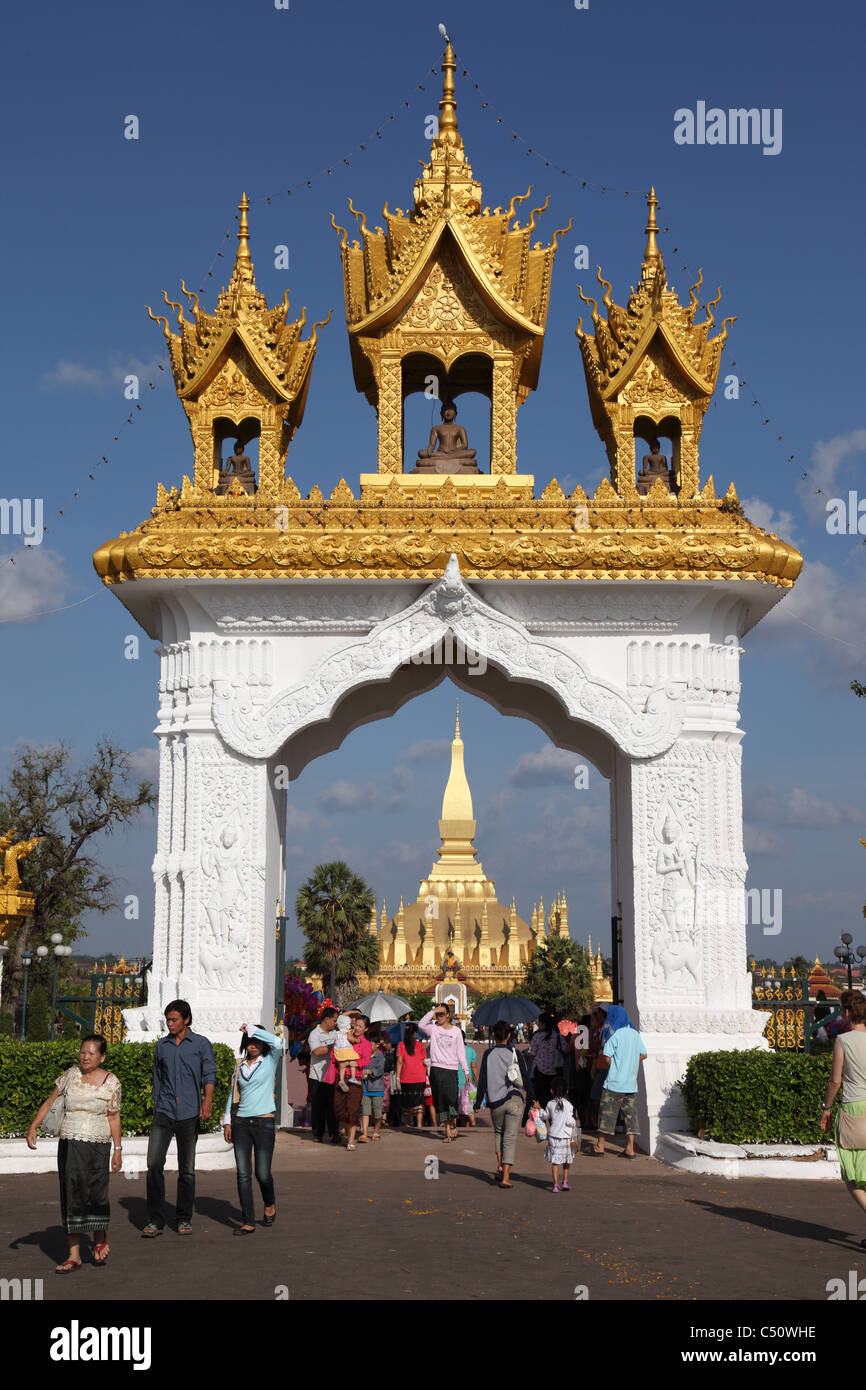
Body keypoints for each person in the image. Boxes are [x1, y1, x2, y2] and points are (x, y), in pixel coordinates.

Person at [27, 1034, 122, 1271]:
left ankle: (99, 1236)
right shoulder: (70, 1076)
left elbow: (114, 1116)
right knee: (72, 1195)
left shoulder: (112, 1082)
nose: (85, 1056)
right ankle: (74, 1255)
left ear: (102, 1057)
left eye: (91, 1053)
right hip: (70, 1144)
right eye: (82, 1052)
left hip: (99, 1146)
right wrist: (33, 1127)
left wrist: (118, 1150)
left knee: (96, 1193)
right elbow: (50, 1103)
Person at [142, 1000, 217, 1236]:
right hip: (164, 1111)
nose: (170, 1023)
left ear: (186, 1020)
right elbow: (157, 1075)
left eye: (174, 1019)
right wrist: (156, 1100)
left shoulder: (201, 1044)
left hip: (189, 1112)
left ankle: (183, 1218)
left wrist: (207, 1102)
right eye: (168, 1019)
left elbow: (209, 1074)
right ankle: (155, 1219)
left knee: (187, 1169)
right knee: (154, 1164)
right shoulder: (161, 1046)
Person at [221, 1022, 282, 1234]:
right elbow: (233, 1094)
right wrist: (227, 1121)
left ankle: (269, 1203)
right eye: (249, 1041)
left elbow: (278, 1042)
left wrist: (253, 1030)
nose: (252, 1045)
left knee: (262, 1173)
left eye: (256, 1041)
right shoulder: (240, 1065)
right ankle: (248, 1220)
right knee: (243, 1174)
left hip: (264, 1122)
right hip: (241, 1123)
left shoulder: (270, 1060)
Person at [820, 989, 866, 1241]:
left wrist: (826, 1108)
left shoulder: (844, 1041)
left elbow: (835, 1081)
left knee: (851, 1176)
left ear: (847, 1012)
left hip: (853, 1110)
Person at [474, 1018, 535, 1188]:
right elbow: (526, 1078)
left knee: (499, 1133)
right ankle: (506, 1177)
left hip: (496, 1102)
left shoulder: (488, 1054)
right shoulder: (515, 1054)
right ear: (509, 1035)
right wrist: (534, 1098)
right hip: (515, 1100)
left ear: (493, 1034)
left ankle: (500, 1165)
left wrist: (478, 1103)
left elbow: (483, 1081)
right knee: (510, 1138)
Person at [593, 1005, 646, 1159]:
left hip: (614, 1083)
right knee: (630, 1116)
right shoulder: (635, 1034)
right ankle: (630, 1148)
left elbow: (606, 1056)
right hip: (630, 1084)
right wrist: (631, 1063)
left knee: (606, 1114)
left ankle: (600, 1146)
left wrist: (616, 1065)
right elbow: (644, 1054)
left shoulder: (614, 1035)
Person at [419, 1003, 468, 1142]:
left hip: (451, 1069)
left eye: (442, 1014)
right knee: (440, 1101)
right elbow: (421, 1025)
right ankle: (447, 1132)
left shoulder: (456, 1031)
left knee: (452, 1099)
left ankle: (452, 1124)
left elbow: (460, 1052)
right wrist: (433, 1010)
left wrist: (466, 1070)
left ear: (448, 1015)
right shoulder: (433, 1029)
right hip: (436, 1069)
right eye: (437, 1014)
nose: (439, 1016)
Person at [329, 1013, 371, 1150]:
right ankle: (346, 1133)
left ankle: (351, 1140)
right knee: (339, 1107)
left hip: (356, 1078)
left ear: (366, 1029)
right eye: (356, 1025)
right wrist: (341, 1059)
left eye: (360, 1026)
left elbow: (366, 1061)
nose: (357, 1028)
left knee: (353, 1108)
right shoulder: (343, 1035)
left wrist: (350, 1062)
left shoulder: (366, 1044)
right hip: (341, 1077)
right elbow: (333, 1056)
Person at [308, 1006, 340, 1143]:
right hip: (317, 1076)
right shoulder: (314, 1034)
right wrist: (333, 1046)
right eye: (334, 1020)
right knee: (318, 1107)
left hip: (332, 1076)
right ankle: (318, 1134)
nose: (335, 1023)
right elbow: (316, 1051)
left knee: (332, 1106)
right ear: (326, 1019)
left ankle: (334, 1133)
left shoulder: (334, 1033)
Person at [544, 1076, 579, 1193]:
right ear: (567, 1091)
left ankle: (555, 1185)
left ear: (551, 1091)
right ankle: (565, 1182)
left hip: (554, 1136)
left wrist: (538, 1110)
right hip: (566, 1137)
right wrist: (574, 1122)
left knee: (555, 1162)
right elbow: (570, 1121)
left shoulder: (550, 1104)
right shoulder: (569, 1105)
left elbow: (544, 1116)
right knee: (566, 1161)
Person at [528, 1012, 563, 1109]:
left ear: (543, 1024)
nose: (538, 1025)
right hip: (555, 1072)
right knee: (554, 1100)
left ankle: (542, 1122)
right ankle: (554, 1121)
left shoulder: (537, 1036)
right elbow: (564, 1049)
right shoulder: (557, 1036)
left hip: (540, 1072)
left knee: (541, 1101)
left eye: (539, 1023)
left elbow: (532, 1054)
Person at [395, 1023, 427, 1127]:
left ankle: (408, 1124)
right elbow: (424, 1061)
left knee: (406, 1102)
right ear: (414, 1033)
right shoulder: (420, 1045)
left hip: (406, 1078)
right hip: (420, 1077)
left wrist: (397, 1078)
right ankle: (419, 1124)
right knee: (419, 1101)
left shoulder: (401, 1045)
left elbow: (399, 1062)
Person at [359, 1029, 386, 1142]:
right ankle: (364, 1134)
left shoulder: (380, 1057)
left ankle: (376, 1131)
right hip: (365, 1089)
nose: (368, 1047)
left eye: (371, 1045)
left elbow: (379, 1071)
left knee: (377, 1113)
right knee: (365, 1112)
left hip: (377, 1089)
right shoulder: (363, 1055)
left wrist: (368, 1071)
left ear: (377, 1044)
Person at [332, 1012, 361, 1091]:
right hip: (347, 1049)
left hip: (339, 1050)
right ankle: (353, 1077)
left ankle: (341, 1080)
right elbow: (352, 1038)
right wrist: (357, 1040)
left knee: (342, 1067)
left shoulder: (336, 1032)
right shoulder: (349, 1031)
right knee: (353, 1063)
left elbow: (332, 1040)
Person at [457, 1027, 478, 1126]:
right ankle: (471, 1124)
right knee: (468, 1107)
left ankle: (466, 1125)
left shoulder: (452, 1051)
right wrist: (476, 1080)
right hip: (468, 1082)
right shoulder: (471, 1050)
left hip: (456, 1082)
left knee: (460, 1108)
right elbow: (474, 1067)